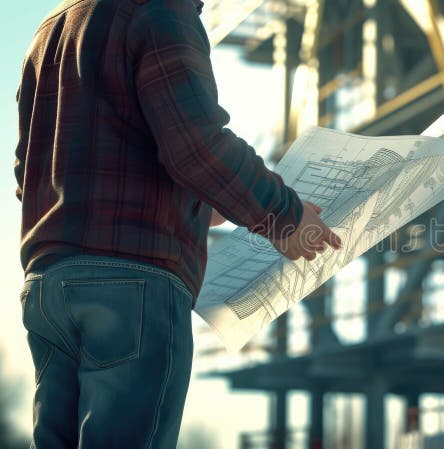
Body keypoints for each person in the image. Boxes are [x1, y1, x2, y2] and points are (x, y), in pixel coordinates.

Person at [14, 0, 341, 446]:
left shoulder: (50, 28)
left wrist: (198, 205)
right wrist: (285, 216)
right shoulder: (160, 11)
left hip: (48, 285)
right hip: (134, 286)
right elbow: (196, 145)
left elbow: (29, 174)